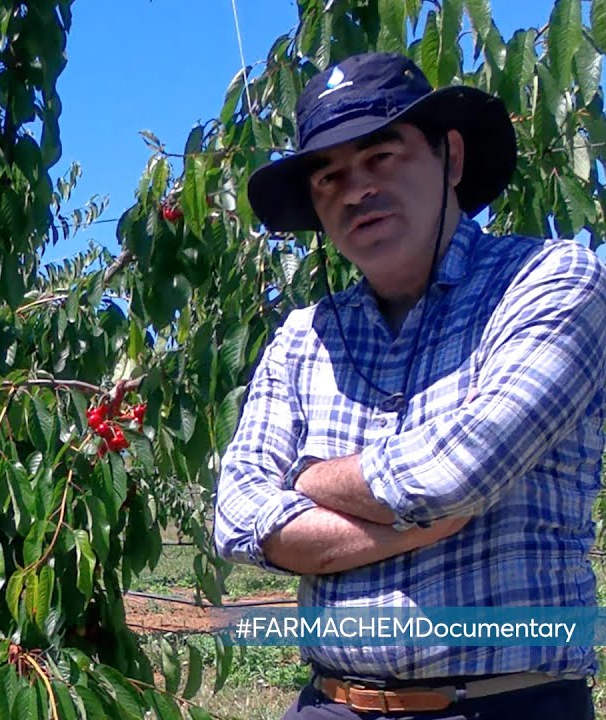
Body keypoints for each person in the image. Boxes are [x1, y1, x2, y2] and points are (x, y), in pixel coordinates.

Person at [216, 52, 606, 719]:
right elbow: (237, 513)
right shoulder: (304, 337)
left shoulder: (552, 282)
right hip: (332, 702)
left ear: (450, 158)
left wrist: (307, 478)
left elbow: (458, 472)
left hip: (504, 704)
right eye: (328, 175)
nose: (355, 188)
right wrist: (420, 526)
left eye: (382, 155)